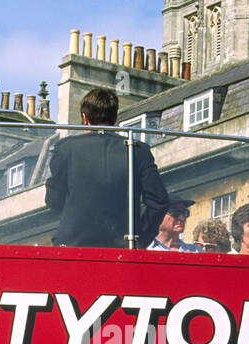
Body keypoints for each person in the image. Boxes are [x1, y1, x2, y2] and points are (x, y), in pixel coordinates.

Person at [44, 88, 169, 248]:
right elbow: (159, 201)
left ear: (84, 117)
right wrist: (140, 236)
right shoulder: (138, 150)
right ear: (115, 118)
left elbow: (53, 200)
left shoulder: (65, 148)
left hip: (73, 243)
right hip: (123, 245)